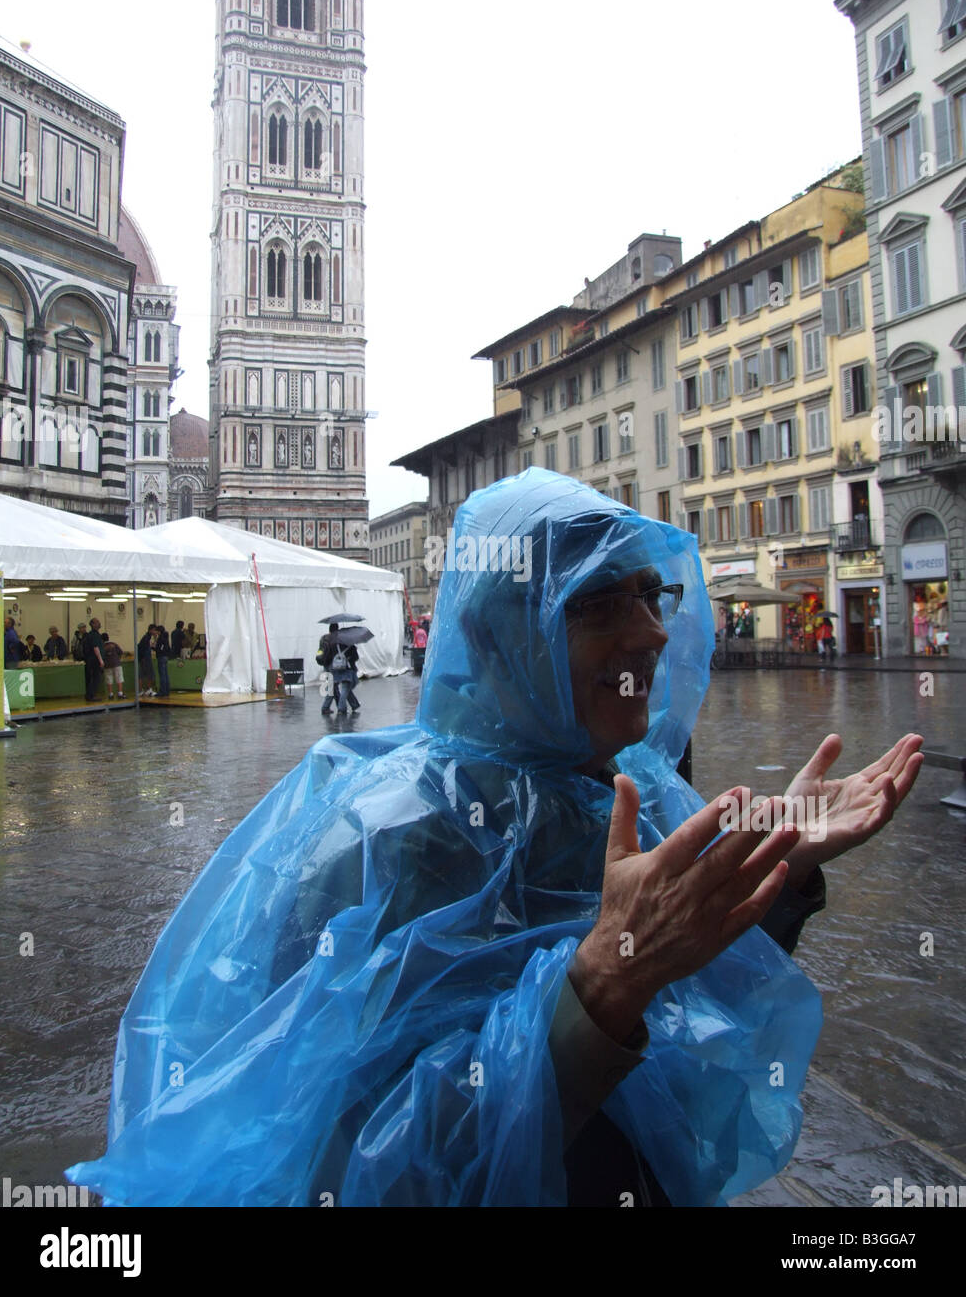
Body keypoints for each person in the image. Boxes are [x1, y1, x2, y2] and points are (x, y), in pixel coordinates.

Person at [67, 470, 923, 1207]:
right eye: (597, 603)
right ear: (499, 639)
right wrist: (599, 990)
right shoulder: (382, 845)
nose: (653, 632)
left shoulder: (629, 787)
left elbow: (691, 1000)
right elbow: (362, 1171)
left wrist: (778, 870)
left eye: (649, 595)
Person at [317, 622, 359, 716]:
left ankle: (352, 705)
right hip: (342, 667)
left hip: (329, 665)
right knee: (345, 687)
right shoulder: (343, 641)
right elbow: (354, 657)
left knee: (333, 687)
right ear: (337, 629)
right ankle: (340, 708)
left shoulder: (324, 638)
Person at [81, 618, 105, 701]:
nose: (99, 623)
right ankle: (91, 695)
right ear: (93, 624)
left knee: (91, 678)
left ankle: (89, 695)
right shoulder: (94, 635)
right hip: (94, 660)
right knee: (95, 678)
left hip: (90, 660)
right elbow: (96, 648)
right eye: (97, 622)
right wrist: (101, 660)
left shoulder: (90, 635)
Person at [102, 633, 126, 701]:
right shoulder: (114, 644)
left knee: (109, 679)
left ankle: (110, 694)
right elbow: (121, 652)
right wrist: (117, 658)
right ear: (108, 637)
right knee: (119, 678)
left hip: (107, 665)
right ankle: (120, 693)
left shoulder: (102, 646)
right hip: (116, 663)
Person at [137, 624, 157, 697]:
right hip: (146, 659)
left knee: (142, 675)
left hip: (143, 658)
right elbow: (143, 648)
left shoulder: (147, 637)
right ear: (151, 630)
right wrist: (143, 659)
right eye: (155, 630)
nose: (156, 632)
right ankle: (148, 689)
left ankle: (141, 690)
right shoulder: (146, 638)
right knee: (149, 674)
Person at [153, 625, 171, 698]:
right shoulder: (166, 637)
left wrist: (153, 647)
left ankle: (162, 691)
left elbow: (160, 649)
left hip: (161, 657)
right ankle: (166, 691)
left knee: (162, 675)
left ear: (159, 631)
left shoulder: (161, 638)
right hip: (166, 656)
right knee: (166, 675)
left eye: (156, 631)